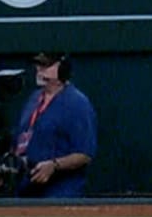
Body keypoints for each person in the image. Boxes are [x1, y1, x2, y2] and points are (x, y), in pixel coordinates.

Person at [13, 53, 96, 198]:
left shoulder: (77, 103)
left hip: (61, 192)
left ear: (62, 70)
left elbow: (84, 154)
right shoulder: (34, 99)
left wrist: (54, 165)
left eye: (45, 66)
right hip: (28, 186)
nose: (39, 70)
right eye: (38, 65)